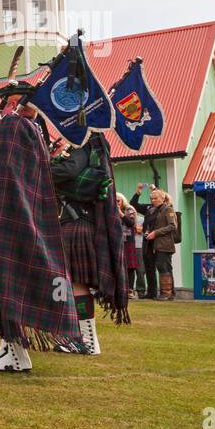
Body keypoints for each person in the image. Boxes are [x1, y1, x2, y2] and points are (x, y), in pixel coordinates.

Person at [0, 100, 81, 371]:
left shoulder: (9, 129)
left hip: (6, 221)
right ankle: (11, 347)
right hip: (29, 219)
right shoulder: (34, 133)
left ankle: (15, 351)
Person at [49, 132, 128, 355]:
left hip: (76, 224)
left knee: (75, 283)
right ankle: (70, 334)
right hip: (70, 225)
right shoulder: (82, 149)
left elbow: (69, 170)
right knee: (61, 282)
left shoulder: (82, 147)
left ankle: (88, 341)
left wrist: (40, 168)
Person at [133, 186, 178, 300]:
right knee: (149, 267)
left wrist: (156, 233)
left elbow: (173, 226)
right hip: (149, 243)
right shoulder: (150, 209)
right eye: (151, 198)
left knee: (163, 267)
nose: (153, 200)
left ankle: (167, 293)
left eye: (155, 198)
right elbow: (134, 205)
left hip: (163, 243)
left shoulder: (168, 209)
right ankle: (151, 292)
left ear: (162, 198)